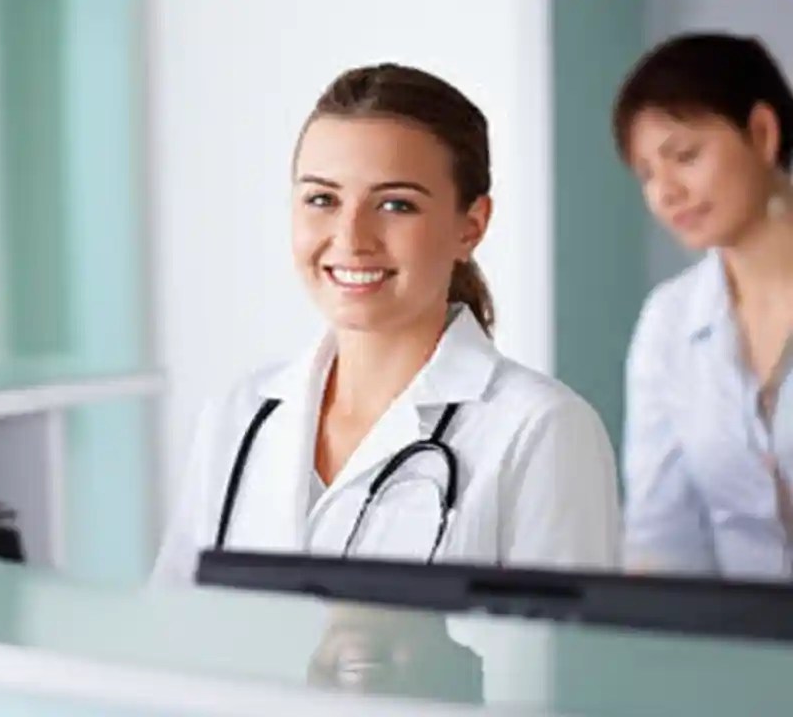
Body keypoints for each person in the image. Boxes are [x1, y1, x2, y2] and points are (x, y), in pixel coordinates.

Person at [151, 64, 620, 585]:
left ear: (471, 226)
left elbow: (564, 640)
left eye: (396, 204)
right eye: (322, 199)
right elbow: (174, 616)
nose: (352, 238)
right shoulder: (239, 415)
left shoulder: (541, 430)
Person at [615, 34, 793, 579]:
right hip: (732, 632)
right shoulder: (668, 320)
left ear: (761, 133)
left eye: (685, 156)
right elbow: (660, 542)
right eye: (647, 173)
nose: (665, 192)